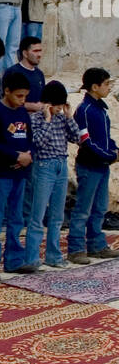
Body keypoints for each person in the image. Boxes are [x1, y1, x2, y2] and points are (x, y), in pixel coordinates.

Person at [0, 68, 33, 279]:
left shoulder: (22, 113)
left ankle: (14, 259)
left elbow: (30, 139)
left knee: (16, 219)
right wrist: (15, 156)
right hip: (1, 174)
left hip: (20, 174)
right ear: (7, 91)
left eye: (25, 96)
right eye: (19, 96)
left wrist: (27, 155)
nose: (22, 100)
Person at [20, 82, 80, 272]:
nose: (59, 109)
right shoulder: (36, 119)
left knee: (57, 215)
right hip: (44, 165)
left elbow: (76, 137)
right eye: (57, 105)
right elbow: (38, 142)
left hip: (61, 165)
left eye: (61, 105)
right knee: (37, 215)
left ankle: (54, 255)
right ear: (47, 104)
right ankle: (32, 257)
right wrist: (46, 119)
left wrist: (69, 116)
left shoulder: (62, 118)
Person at [68, 68, 119, 265]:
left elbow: (105, 138)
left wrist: (114, 150)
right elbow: (87, 141)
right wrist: (109, 155)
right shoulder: (84, 110)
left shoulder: (100, 108)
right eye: (106, 84)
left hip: (102, 166)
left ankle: (96, 244)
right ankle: (76, 248)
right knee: (83, 208)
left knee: (99, 207)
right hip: (90, 165)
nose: (108, 88)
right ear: (94, 87)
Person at [15, 36, 45, 110]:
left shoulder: (39, 74)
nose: (39, 55)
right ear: (25, 53)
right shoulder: (13, 73)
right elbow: (6, 101)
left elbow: (43, 98)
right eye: (35, 51)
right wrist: (30, 106)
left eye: (40, 51)